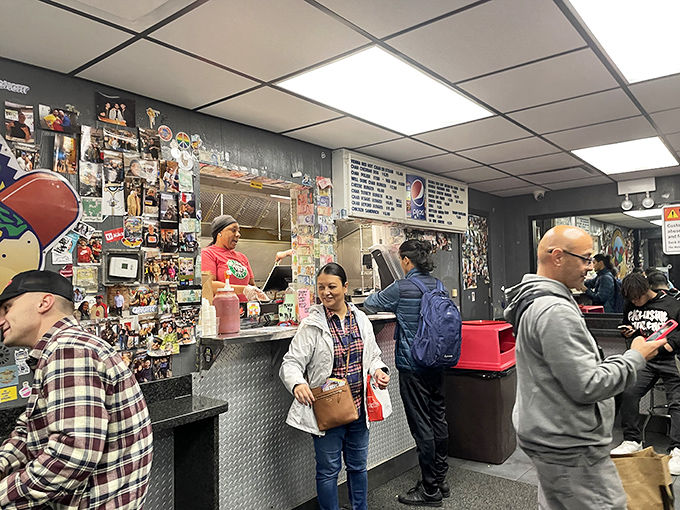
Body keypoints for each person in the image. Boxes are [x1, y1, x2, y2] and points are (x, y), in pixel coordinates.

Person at [504, 225, 666, 509]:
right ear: (557, 256)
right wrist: (635, 356)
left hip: (552, 434)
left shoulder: (537, 302)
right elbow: (588, 385)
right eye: (585, 259)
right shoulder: (554, 312)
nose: (590, 268)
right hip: (568, 444)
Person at [0, 270, 153, 507]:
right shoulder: (68, 345)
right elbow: (32, 426)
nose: (1, 320)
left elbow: (72, 455)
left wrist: (3, 494)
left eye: (7, 308)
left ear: (44, 302)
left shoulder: (68, 350)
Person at [280, 263, 389, 510]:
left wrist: (379, 370)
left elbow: (372, 356)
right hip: (327, 411)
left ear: (345, 287)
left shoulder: (360, 319)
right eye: (321, 288)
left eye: (332, 286)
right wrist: (297, 383)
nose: (326, 292)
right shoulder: (312, 324)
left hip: (358, 409)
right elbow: (291, 362)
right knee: (328, 471)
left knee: (358, 466)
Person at [363, 239, 449, 506]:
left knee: (421, 425)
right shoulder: (439, 285)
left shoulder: (401, 287)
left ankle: (429, 490)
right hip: (437, 363)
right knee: (439, 419)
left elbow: (370, 303)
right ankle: (441, 479)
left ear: (406, 261)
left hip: (413, 366)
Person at [611, 272, 680, 473]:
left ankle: (677, 448)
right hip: (644, 360)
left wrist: (669, 346)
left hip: (669, 359)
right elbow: (630, 330)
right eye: (630, 299)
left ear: (646, 290)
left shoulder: (672, 304)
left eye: (637, 298)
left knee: (677, 400)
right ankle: (632, 440)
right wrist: (628, 333)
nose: (635, 302)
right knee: (628, 391)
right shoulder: (630, 305)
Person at [202, 215, 266, 303]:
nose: (238, 234)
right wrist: (244, 290)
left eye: (238, 231)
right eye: (233, 230)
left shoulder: (242, 257)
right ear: (219, 232)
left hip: (246, 312)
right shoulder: (208, 253)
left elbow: (252, 285)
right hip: (223, 311)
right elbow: (209, 285)